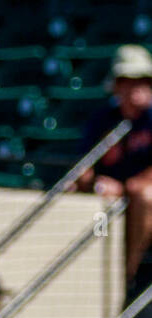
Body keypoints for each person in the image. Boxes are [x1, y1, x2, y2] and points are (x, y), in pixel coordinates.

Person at [76, 45, 152, 300]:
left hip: (142, 193)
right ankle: (89, 278)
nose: (136, 88)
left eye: (143, 80)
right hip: (112, 192)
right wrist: (94, 183)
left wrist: (133, 184)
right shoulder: (104, 119)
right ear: (117, 85)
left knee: (144, 195)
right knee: (73, 194)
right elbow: (84, 168)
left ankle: (126, 276)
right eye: (129, 81)